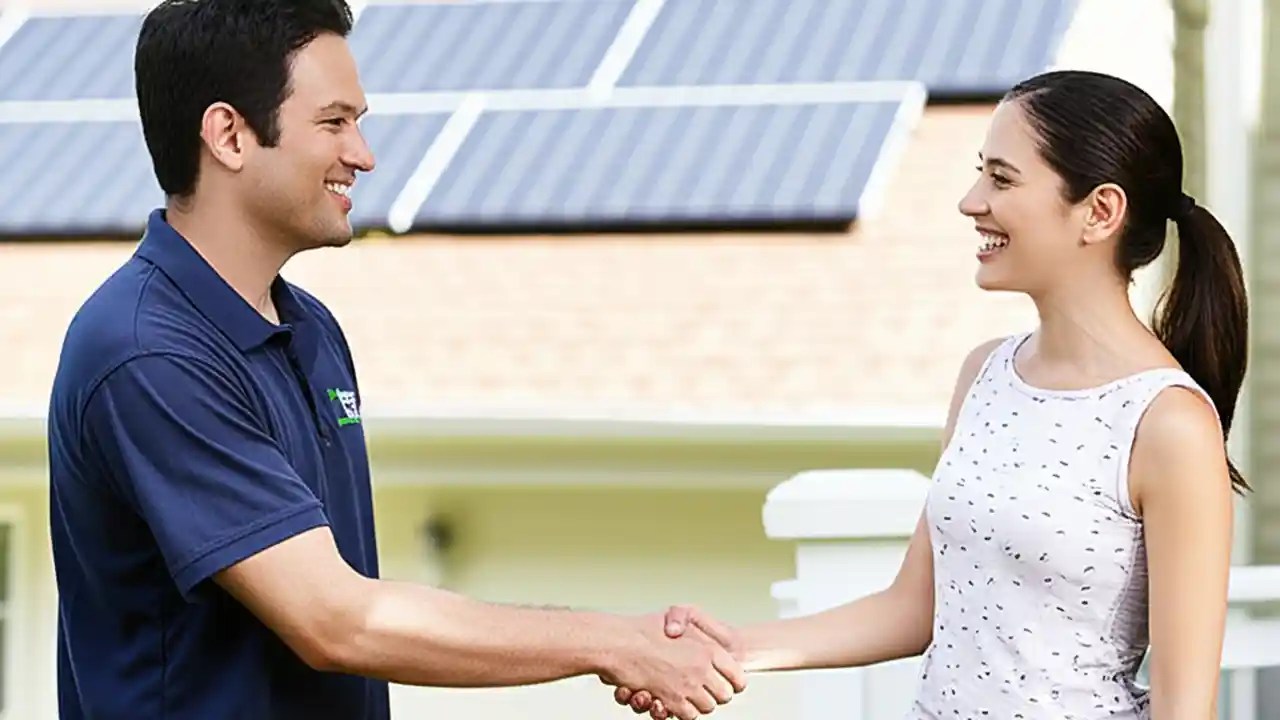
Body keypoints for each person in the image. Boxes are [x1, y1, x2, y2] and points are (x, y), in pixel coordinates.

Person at [45, 2, 743, 719]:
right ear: (229, 135)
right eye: (334, 122)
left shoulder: (310, 330)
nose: (363, 154)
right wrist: (613, 642)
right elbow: (335, 621)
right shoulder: (146, 353)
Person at [614, 69, 1248, 719]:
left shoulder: (1167, 424)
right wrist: (725, 651)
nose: (972, 201)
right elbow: (914, 608)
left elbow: (1184, 710)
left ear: (1100, 211)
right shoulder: (985, 376)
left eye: (1002, 179)